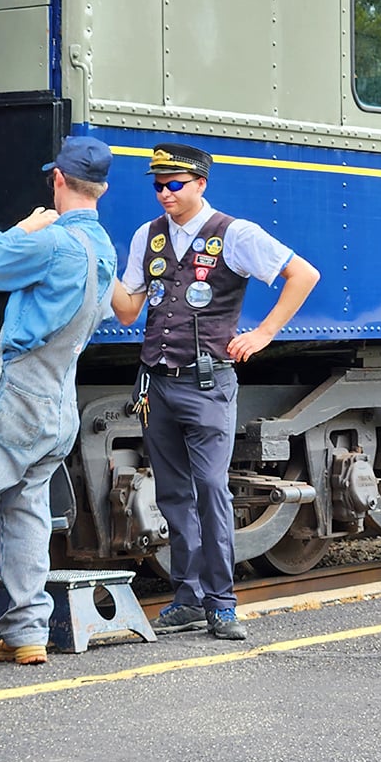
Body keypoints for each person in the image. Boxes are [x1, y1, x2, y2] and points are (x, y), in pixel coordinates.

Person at [0, 136, 117, 671]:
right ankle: (28, 632)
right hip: (60, 399)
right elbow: (12, 253)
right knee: (27, 509)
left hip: (16, 392)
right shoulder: (101, 246)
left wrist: (19, 228)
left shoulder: (51, 241)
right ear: (100, 188)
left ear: (57, 179)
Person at [112, 143, 320, 640]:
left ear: (201, 184)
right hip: (156, 384)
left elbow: (303, 274)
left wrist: (264, 334)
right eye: (158, 185)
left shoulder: (235, 233)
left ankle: (222, 603)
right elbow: (127, 310)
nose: (164, 193)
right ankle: (186, 597)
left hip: (207, 385)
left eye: (174, 185)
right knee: (173, 493)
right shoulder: (148, 235)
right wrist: (92, 263)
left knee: (211, 491)